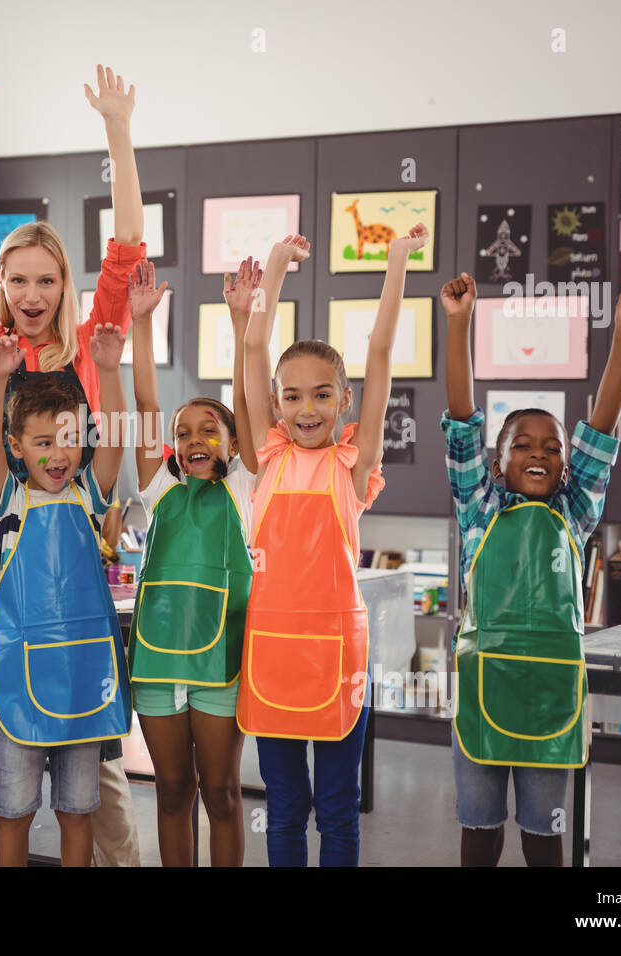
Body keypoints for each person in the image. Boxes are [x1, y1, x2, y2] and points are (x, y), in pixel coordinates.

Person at [0, 65, 145, 865]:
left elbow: (127, 248)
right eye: (17, 277)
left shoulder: (89, 347)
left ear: (65, 287)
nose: (31, 291)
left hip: (71, 566)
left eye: (47, 279)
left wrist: (117, 129)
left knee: (94, 752)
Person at [441, 272, 621, 867]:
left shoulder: (576, 511)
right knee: (479, 828)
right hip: (483, 688)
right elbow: (461, 420)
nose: (539, 451)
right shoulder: (478, 508)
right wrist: (459, 324)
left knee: (545, 833)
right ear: (497, 460)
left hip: (554, 695)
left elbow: (603, 429)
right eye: (522, 443)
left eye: (553, 447)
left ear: (567, 467)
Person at [239, 227, 426, 866]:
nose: (307, 408)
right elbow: (256, 341)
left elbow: (379, 351)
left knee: (338, 810)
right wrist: (274, 267)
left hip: (338, 659)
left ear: (345, 403)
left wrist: (397, 261)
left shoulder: (353, 465)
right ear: (276, 403)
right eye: (292, 396)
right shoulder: (266, 458)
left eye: (323, 395)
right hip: (271, 656)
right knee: (285, 808)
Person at [0, 320, 130, 867]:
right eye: (43, 443)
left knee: (77, 808)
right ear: (17, 445)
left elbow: (112, 437)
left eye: (69, 439)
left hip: (85, 677)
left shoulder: (91, 492)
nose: (58, 454)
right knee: (14, 808)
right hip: (21, 677)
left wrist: (109, 371)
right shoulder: (9, 501)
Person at [127, 258, 260, 866]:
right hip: (157, 659)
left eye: (211, 430)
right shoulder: (160, 490)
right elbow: (147, 402)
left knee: (223, 793)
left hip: (221, 662)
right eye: (185, 433)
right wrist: (142, 325)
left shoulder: (241, 491)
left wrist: (241, 322)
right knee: (172, 789)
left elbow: (248, 403)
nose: (196, 440)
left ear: (233, 446)